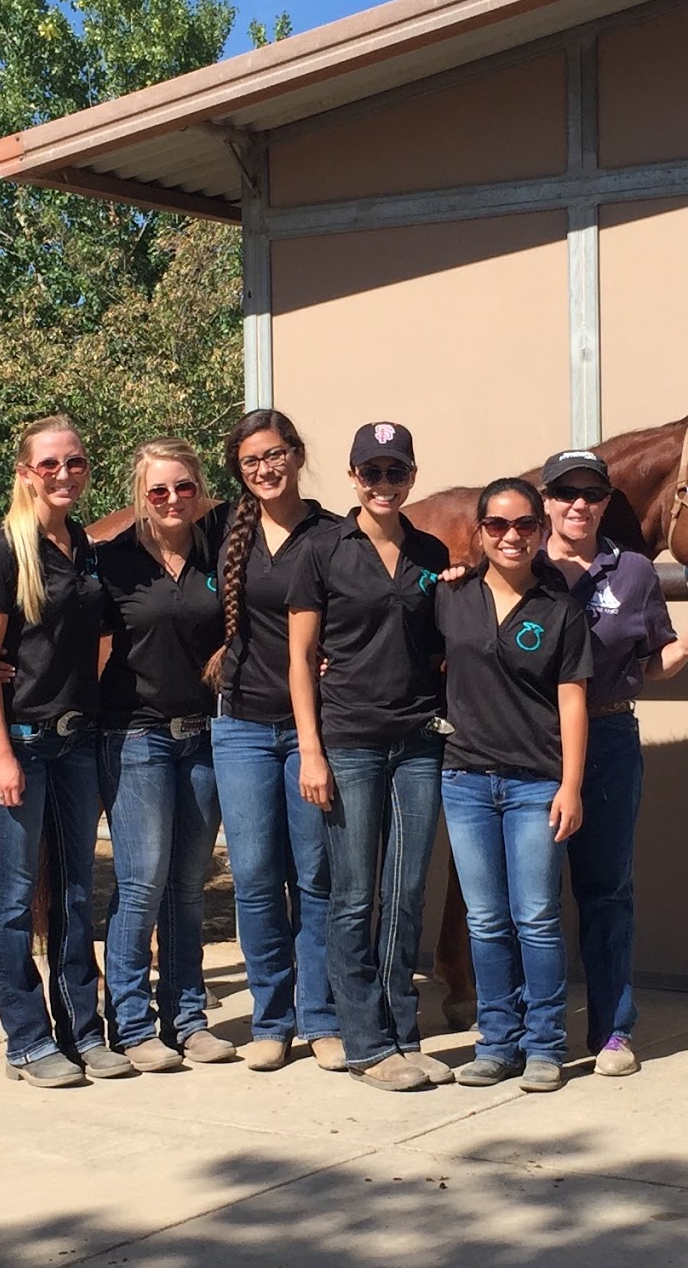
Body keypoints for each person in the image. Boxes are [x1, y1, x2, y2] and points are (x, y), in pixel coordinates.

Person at [538, 448, 688, 1077]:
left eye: (592, 494)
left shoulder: (635, 572)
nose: (579, 505)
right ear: (546, 501)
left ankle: (612, 1031)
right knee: (532, 897)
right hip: (532, 743)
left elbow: (652, 663)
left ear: (605, 504)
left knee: (607, 890)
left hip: (610, 737)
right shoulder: (520, 566)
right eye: (566, 493)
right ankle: (535, 1034)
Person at [0, 414, 132, 1086]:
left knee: (72, 891)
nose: (65, 474)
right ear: (26, 473)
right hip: (23, 744)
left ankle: (82, 1031)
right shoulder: (5, 551)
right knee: (14, 895)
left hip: (76, 742)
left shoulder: (84, 547)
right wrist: (2, 752)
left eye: (76, 462)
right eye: (50, 464)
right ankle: (27, 1040)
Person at [288, 422, 451, 1092]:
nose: (384, 484)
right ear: (354, 478)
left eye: (396, 472)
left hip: (417, 740)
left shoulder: (431, 551)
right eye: (372, 472)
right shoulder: (322, 549)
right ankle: (364, 1043)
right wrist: (311, 750)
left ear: (411, 476)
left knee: (405, 894)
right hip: (349, 741)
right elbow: (300, 659)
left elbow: (444, 641)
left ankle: (402, 1033)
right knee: (354, 896)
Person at [435, 477, 592, 1092]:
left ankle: (545, 1044)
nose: (511, 536)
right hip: (466, 779)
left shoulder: (560, 610)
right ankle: (496, 1043)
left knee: (537, 917)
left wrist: (570, 785)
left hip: (535, 786)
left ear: (540, 531)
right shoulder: (450, 596)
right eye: (497, 525)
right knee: (485, 920)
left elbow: (573, 700)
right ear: (480, 532)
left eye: (525, 525)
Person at [203, 411, 345, 1073]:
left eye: (275, 454)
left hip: (312, 730)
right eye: (251, 460)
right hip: (240, 727)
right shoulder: (223, 530)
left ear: (297, 454)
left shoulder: (334, 534)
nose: (265, 469)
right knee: (256, 878)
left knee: (315, 877)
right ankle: (272, 1020)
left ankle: (321, 1018)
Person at [98, 437, 236, 1072]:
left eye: (184, 487)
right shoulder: (114, 562)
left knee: (187, 884)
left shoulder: (217, 552)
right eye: (158, 489)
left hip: (203, 735)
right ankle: (130, 1022)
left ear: (200, 489)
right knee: (142, 881)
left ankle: (187, 1020)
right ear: (140, 495)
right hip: (136, 738)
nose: (173, 499)